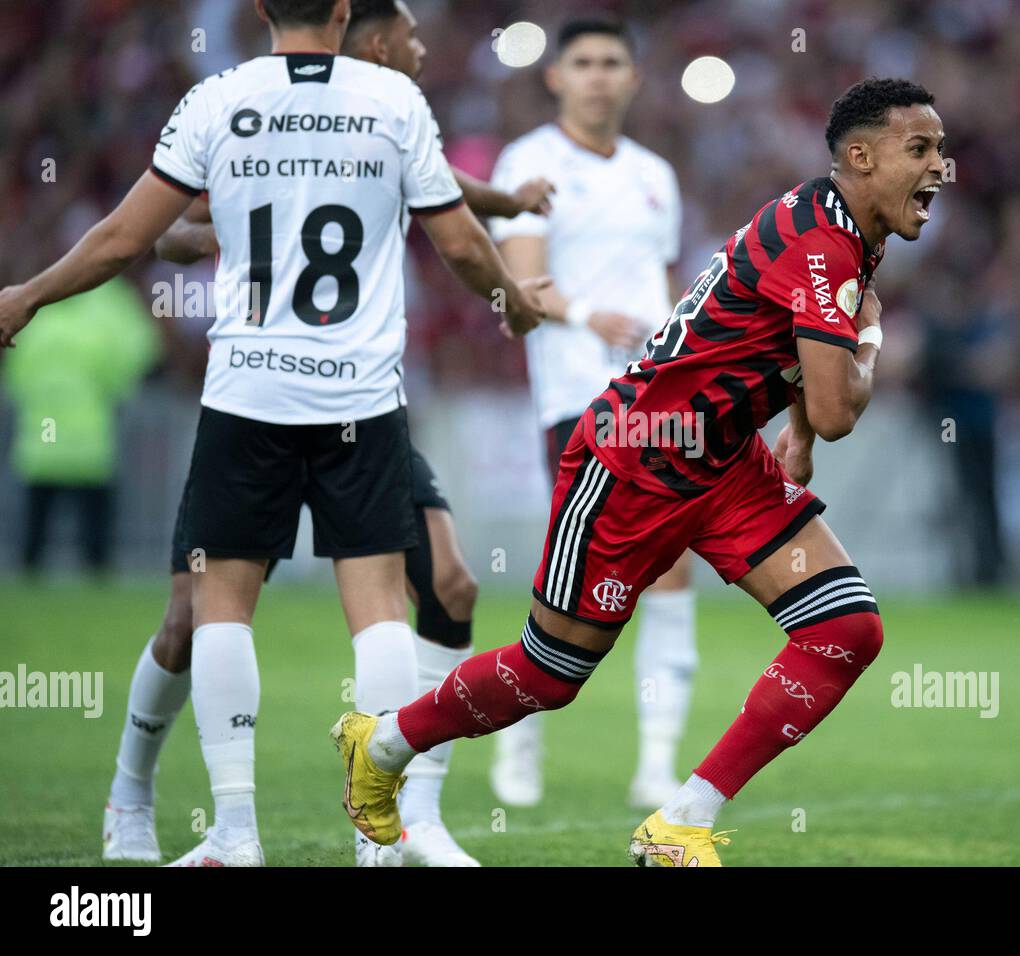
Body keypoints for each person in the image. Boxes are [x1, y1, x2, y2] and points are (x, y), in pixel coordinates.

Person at [331, 77, 944, 866]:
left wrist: (796, 432)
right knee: (549, 673)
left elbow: (795, 355)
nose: (939, 167)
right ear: (860, 157)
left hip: (725, 464)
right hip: (634, 460)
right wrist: (870, 344)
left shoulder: (843, 227)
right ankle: (382, 743)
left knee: (844, 628)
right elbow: (838, 406)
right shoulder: (823, 242)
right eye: (920, 149)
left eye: (940, 150)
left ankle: (681, 821)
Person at [0, 0, 547, 867]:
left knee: (220, 609)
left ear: (257, 8)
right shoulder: (393, 102)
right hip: (358, 399)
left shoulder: (218, 99)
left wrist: (28, 293)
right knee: (378, 613)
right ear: (345, 11)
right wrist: (511, 302)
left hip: (248, 392)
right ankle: (375, 835)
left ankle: (234, 833)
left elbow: (123, 238)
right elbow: (463, 246)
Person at [488, 15, 696, 810]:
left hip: (659, 395)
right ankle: (517, 726)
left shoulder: (654, 173)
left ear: (633, 78)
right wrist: (586, 317)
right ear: (556, 77)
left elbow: (662, 284)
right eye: (583, 62)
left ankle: (656, 763)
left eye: (613, 61)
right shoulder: (528, 162)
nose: (599, 75)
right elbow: (523, 283)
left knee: (671, 567)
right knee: (575, 578)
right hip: (578, 393)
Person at [3, 278, 159, 576]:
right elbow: (132, 359)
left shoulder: (36, 312)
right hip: (90, 444)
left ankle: (30, 576)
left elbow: (15, 375)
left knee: (34, 540)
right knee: (95, 545)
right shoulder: (107, 307)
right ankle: (97, 580)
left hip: (40, 445)